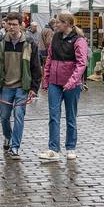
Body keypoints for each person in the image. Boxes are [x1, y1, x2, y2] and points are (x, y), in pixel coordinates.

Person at [0, 12, 40, 159]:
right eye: (9, 24)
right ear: (6, 25)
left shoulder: (29, 43)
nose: (12, 27)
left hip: (23, 86)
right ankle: (7, 137)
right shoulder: (0, 41)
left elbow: (36, 67)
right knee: (4, 116)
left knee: (19, 116)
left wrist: (34, 88)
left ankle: (15, 147)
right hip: (6, 86)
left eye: (15, 24)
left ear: (21, 25)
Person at [39, 12, 89, 163]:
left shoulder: (79, 40)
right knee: (53, 116)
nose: (56, 25)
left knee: (70, 116)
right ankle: (53, 149)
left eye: (58, 23)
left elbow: (81, 63)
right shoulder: (55, 37)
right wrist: (46, 79)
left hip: (71, 85)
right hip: (55, 82)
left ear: (67, 23)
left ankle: (71, 147)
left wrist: (72, 81)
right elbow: (49, 59)